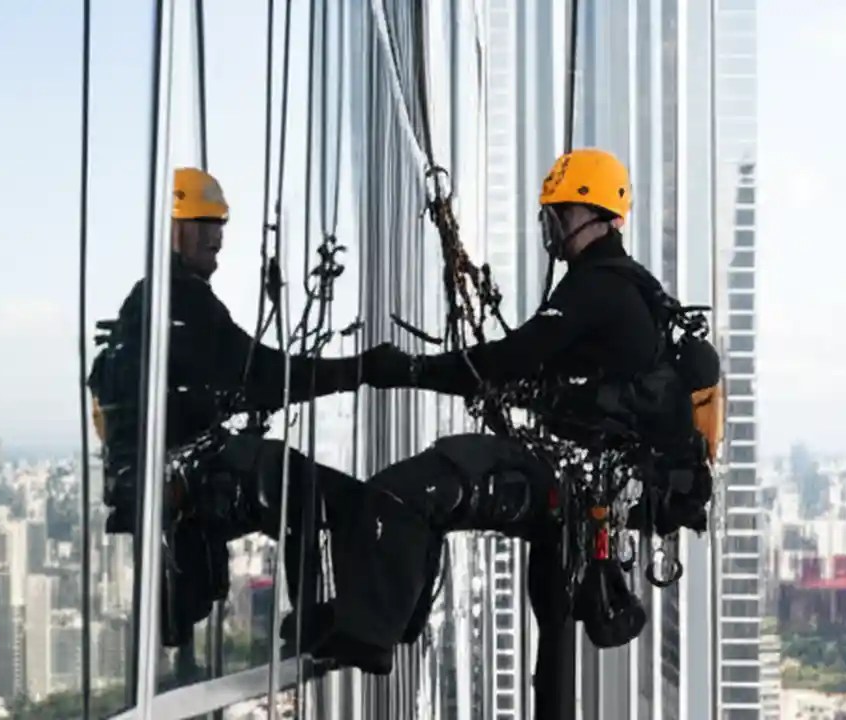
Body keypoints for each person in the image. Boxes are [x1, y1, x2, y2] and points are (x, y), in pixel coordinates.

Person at [292, 148, 720, 671]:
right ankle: (379, 624)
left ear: (591, 213)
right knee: (440, 505)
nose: (550, 226)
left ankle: (369, 634)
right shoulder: (628, 285)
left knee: (407, 492)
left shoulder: (597, 287)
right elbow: (545, 374)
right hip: (589, 484)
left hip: (571, 479)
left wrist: (411, 371)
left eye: (557, 213)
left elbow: (508, 360)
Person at [87, 166, 412, 649]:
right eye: (204, 224)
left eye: (219, 225)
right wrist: (360, 369)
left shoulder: (145, 302)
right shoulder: (185, 301)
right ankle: (322, 624)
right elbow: (265, 375)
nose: (217, 239)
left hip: (161, 474)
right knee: (325, 495)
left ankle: (231, 621)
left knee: (272, 497)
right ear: (174, 229)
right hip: (188, 472)